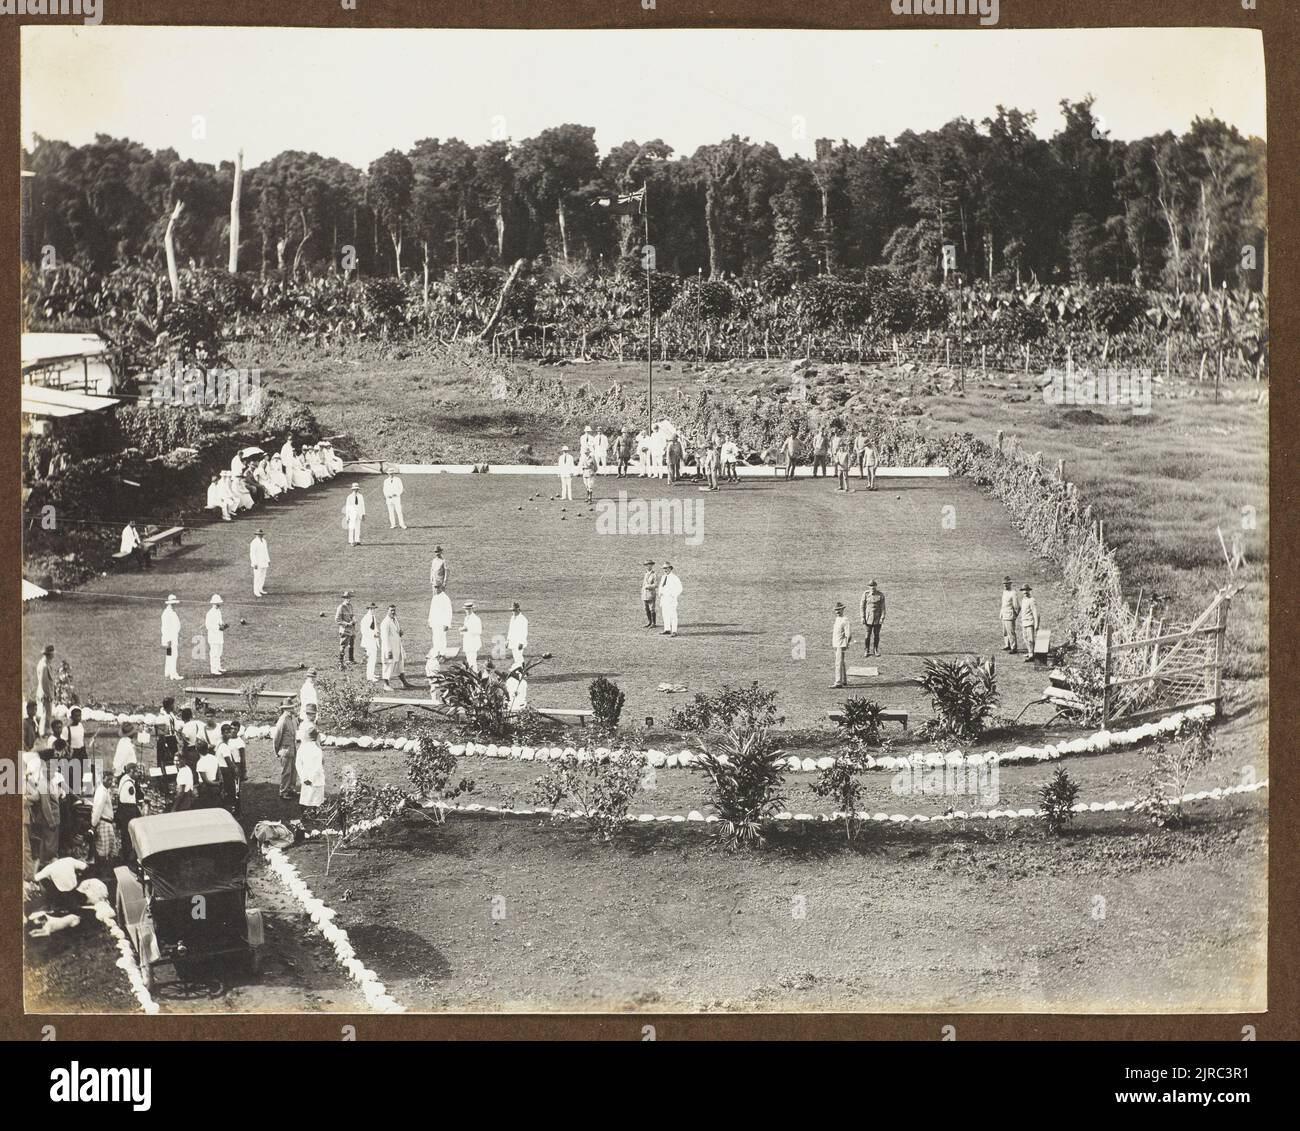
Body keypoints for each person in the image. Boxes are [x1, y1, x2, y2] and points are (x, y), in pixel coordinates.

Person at [88, 771, 120, 865]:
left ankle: (105, 868)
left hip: (107, 822)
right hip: (103, 822)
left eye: (112, 780)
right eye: (108, 779)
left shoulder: (105, 790)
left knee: (108, 849)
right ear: (103, 778)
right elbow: (97, 809)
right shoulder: (101, 792)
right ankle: (101, 870)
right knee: (102, 850)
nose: (110, 782)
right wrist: (93, 825)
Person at [295, 724, 326, 822]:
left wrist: (303, 778)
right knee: (316, 799)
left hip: (305, 778)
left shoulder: (302, 748)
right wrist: (310, 779)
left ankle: (303, 816)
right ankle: (315, 817)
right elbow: (317, 767)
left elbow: (298, 764)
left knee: (305, 798)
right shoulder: (317, 750)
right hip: (316, 779)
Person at [272, 698, 299, 801]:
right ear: (285, 709)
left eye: (292, 707)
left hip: (293, 748)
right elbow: (276, 738)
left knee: (293, 770)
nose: (292, 709)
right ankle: (283, 791)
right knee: (286, 771)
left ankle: (291, 788)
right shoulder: (282, 720)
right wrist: (277, 751)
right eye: (289, 708)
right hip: (285, 749)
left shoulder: (292, 718)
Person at [115, 764, 141, 864]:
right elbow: (131, 804)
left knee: (125, 835)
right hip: (127, 812)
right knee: (128, 835)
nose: (138, 774)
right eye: (136, 772)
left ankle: (126, 855)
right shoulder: (129, 785)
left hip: (123, 810)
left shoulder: (124, 779)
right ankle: (128, 858)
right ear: (130, 771)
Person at [381, 604, 410, 689]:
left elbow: (396, 632)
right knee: (388, 666)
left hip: (397, 647)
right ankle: (386, 685)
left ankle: (404, 683)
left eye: (394, 610)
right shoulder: (385, 622)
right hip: (390, 648)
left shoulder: (395, 619)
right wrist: (388, 651)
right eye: (391, 610)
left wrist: (399, 633)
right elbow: (384, 638)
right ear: (387, 611)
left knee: (400, 665)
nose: (393, 612)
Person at [860, 579, 886, 657]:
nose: (872, 587)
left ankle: (875, 650)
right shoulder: (865, 594)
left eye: (873, 586)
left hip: (877, 618)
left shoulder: (880, 595)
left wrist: (882, 617)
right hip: (868, 618)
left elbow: (883, 607)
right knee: (867, 635)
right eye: (870, 586)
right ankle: (866, 650)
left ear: (876, 586)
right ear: (868, 587)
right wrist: (862, 617)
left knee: (876, 635)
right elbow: (862, 606)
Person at [428, 582, 453, 659]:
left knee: (442, 638)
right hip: (435, 622)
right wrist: (429, 621)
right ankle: (436, 653)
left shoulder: (445, 598)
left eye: (437, 587)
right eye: (435, 588)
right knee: (435, 638)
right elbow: (431, 611)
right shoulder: (434, 598)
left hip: (442, 622)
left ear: (441, 588)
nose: (436, 589)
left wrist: (447, 624)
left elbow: (449, 612)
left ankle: (442, 654)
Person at [35, 643, 55, 737]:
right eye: (52, 653)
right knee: (45, 713)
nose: (53, 655)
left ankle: (46, 730)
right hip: (45, 693)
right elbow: (44, 683)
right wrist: (48, 694)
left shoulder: (46, 663)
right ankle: (43, 732)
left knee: (47, 712)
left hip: (46, 692)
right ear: (49, 654)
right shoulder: (44, 666)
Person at [831, 602, 853, 688]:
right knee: (841, 662)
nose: (837, 611)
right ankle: (844, 680)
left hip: (841, 644)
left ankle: (838, 682)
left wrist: (846, 643)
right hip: (836, 644)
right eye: (836, 610)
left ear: (843, 609)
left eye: (839, 610)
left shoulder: (845, 620)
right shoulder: (837, 619)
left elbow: (849, 634)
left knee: (838, 663)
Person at [160, 594, 182, 680]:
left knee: (169, 654)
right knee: (173, 654)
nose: (174, 605)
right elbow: (165, 628)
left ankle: (168, 672)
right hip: (170, 638)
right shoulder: (167, 613)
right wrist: (168, 639)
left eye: (174, 603)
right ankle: (173, 674)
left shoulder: (172, 612)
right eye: (173, 603)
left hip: (173, 637)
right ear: (169, 603)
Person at [359, 601, 381, 682]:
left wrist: (377, 632)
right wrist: (373, 635)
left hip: (373, 641)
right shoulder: (366, 618)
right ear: (368, 609)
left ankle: (372, 674)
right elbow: (364, 631)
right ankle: (369, 677)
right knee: (371, 659)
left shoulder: (373, 617)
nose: (373, 610)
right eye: (371, 609)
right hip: (369, 642)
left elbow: (375, 627)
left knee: (373, 659)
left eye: (374, 608)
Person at [205, 595, 227, 675]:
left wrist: (223, 625)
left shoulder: (218, 611)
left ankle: (218, 667)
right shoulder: (210, 613)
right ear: (213, 603)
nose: (219, 604)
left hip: (219, 635)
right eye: (217, 603)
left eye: (219, 603)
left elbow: (220, 621)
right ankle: (213, 669)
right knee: (214, 653)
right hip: (213, 636)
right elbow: (208, 625)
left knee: (219, 652)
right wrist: (218, 628)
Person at [659, 562, 682, 637]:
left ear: (670, 568)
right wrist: (660, 593)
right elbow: (661, 586)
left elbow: (680, 588)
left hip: (671, 599)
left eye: (666, 568)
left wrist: (673, 595)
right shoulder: (663, 577)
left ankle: (674, 631)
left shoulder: (674, 577)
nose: (665, 570)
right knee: (665, 614)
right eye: (664, 568)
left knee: (673, 615)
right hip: (664, 599)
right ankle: (667, 629)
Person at [999, 576, 1021, 653]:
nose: (1005, 585)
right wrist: (1001, 613)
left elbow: (1017, 606)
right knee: (1005, 631)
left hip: (1010, 615)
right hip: (1004, 614)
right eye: (1004, 584)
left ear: (1010, 584)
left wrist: (1015, 615)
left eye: (1007, 584)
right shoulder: (1004, 592)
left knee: (1011, 632)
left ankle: (1013, 647)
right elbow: (1003, 604)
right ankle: (1007, 645)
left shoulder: (1013, 593)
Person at [336, 590, 357, 668]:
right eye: (347, 598)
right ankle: (340, 662)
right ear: (344, 598)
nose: (349, 599)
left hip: (351, 629)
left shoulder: (350, 606)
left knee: (351, 644)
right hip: (344, 630)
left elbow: (352, 615)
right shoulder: (341, 607)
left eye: (350, 597)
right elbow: (337, 620)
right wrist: (347, 624)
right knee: (343, 645)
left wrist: (354, 619)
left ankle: (351, 659)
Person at [1019, 584, 1040, 662]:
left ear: (1029, 591)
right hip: (1024, 622)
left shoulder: (1032, 600)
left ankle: (1032, 655)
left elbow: (1035, 613)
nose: (1025, 592)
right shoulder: (1023, 600)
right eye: (1024, 591)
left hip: (1030, 622)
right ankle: (1030, 652)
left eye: (1026, 590)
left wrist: (1036, 624)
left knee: (1031, 639)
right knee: (1025, 639)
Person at [461, 601, 483, 673]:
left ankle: (475, 678)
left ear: (472, 609)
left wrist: (467, 629)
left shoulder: (476, 619)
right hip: (467, 642)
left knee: (472, 662)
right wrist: (463, 630)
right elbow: (465, 630)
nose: (467, 611)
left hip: (473, 643)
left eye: (469, 609)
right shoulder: (466, 618)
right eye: (466, 609)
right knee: (469, 661)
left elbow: (479, 631)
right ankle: (472, 677)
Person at [248, 528, 270, 597]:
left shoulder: (264, 541)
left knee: (263, 576)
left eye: (261, 534)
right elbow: (252, 553)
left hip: (264, 561)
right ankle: (256, 591)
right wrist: (254, 563)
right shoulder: (254, 542)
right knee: (257, 577)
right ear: (256, 535)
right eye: (259, 534)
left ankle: (260, 589)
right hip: (258, 562)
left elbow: (266, 551)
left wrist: (268, 560)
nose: (260, 535)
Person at [507, 601, 528, 666]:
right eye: (512, 610)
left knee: (519, 657)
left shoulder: (523, 619)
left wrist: (521, 642)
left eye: (515, 610)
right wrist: (507, 640)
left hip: (519, 642)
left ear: (518, 610)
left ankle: (523, 672)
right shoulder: (512, 618)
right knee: (516, 657)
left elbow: (524, 632)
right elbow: (510, 630)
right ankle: (522, 672)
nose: (513, 612)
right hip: (513, 641)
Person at [640, 560, 658, 628]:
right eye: (647, 565)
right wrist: (642, 592)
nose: (648, 566)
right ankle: (649, 622)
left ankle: (653, 623)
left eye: (649, 565)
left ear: (652, 565)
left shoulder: (654, 574)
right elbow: (643, 584)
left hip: (651, 594)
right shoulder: (646, 573)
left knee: (652, 609)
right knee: (646, 608)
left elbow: (656, 585)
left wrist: (649, 586)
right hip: (645, 594)